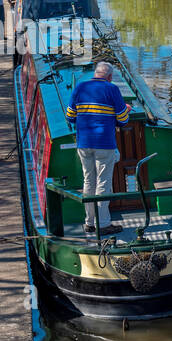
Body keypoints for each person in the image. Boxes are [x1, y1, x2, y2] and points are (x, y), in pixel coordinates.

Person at [66, 62, 130, 236]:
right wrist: (126, 110)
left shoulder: (80, 88)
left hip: (84, 143)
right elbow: (123, 119)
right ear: (109, 77)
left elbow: (70, 116)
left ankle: (89, 223)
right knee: (103, 182)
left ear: (95, 74)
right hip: (104, 143)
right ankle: (103, 224)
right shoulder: (112, 89)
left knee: (88, 181)